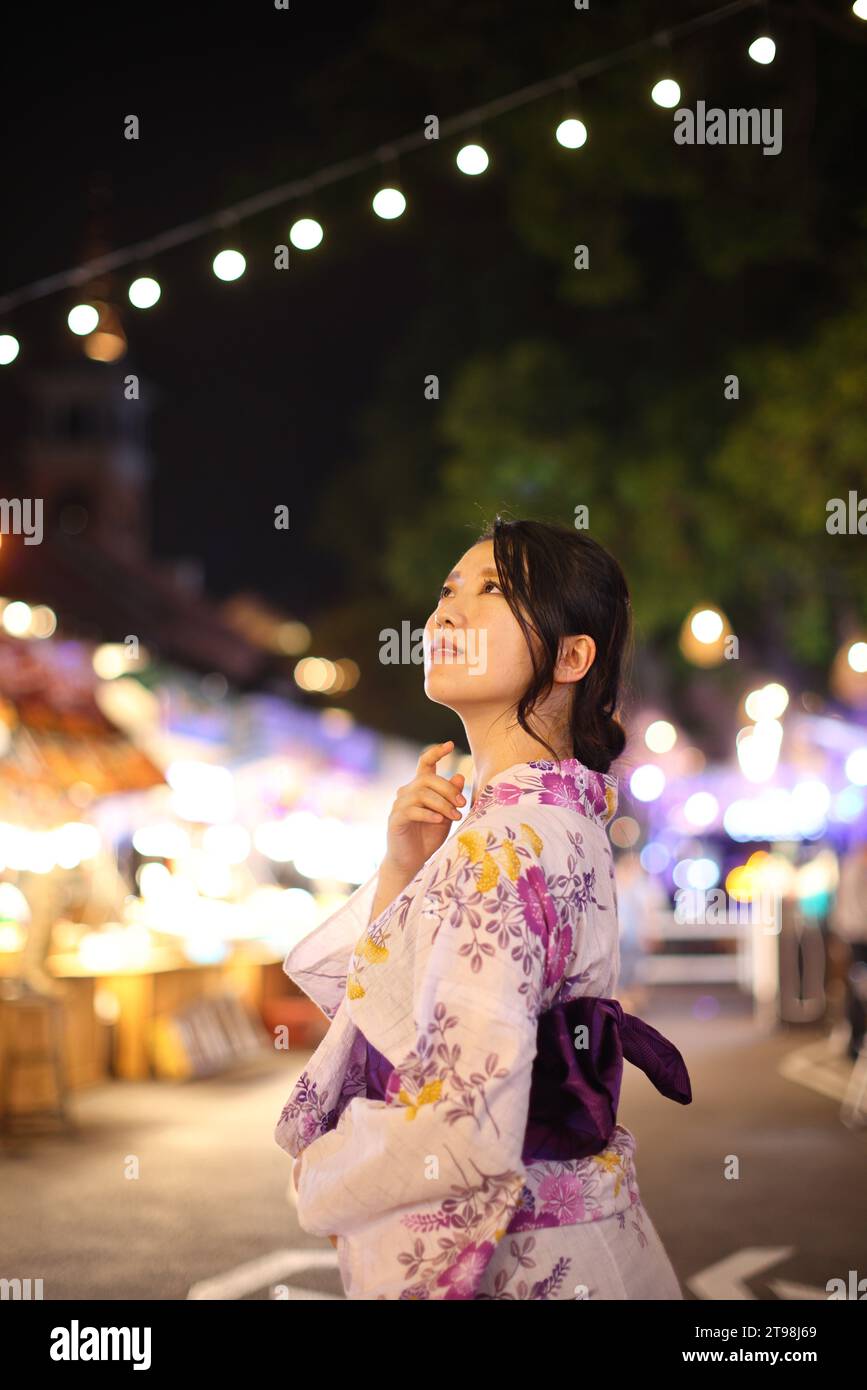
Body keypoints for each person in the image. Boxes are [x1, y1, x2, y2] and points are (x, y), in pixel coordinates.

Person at [275, 517, 691, 1300]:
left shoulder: (502, 841)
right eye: (445, 591)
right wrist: (405, 868)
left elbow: (467, 1130)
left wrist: (322, 1175)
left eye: (493, 590)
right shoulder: (560, 821)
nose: (445, 614)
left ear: (571, 657)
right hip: (588, 1236)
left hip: (523, 1255)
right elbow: (406, 1018)